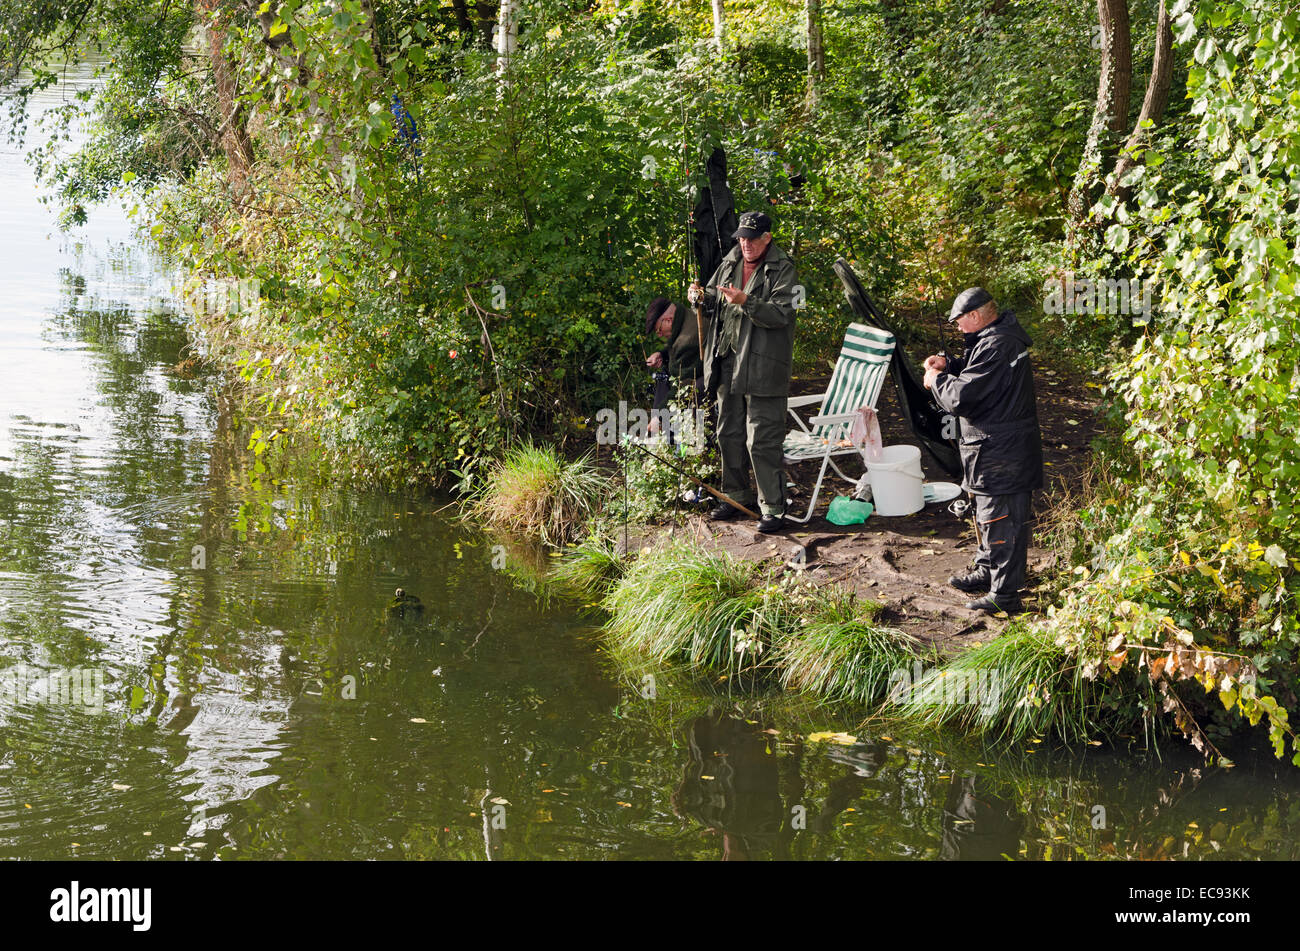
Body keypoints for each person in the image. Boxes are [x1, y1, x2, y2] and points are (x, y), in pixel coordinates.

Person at [923, 287, 1043, 615]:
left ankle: (1004, 596)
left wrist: (935, 379)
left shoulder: (999, 344)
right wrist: (949, 364)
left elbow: (962, 397)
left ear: (975, 316)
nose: (957, 327)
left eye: (959, 321)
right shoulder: (995, 339)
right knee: (986, 514)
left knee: (1001, 519)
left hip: (1002, 453)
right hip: (992, 451)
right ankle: (987, 569)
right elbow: (979, 374)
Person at [688, 211, 798, 534]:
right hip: (727, 360)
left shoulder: (783, 268)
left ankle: (774, 509)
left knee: (761, 439)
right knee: (728, 432)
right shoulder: (731, 259)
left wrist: (746, 301)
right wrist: (699, 296)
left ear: (767, 238)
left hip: (764, 366)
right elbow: (712, 294)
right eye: (742, 237)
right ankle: (736, 497)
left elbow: (781, 314)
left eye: (752, 238)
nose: (746, 244)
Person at [643, 297, 705, 432]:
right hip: (695, 370)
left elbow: (684, 384)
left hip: (711, 378)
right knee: (663, 376)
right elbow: (675, 345)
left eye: (658, 330)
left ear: (669, 320)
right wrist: (661, 354)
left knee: (691, 389)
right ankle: (664, 436)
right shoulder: (685, 315)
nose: (659, 335)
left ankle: (667, 437)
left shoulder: (688, 339)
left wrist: (658, 417)